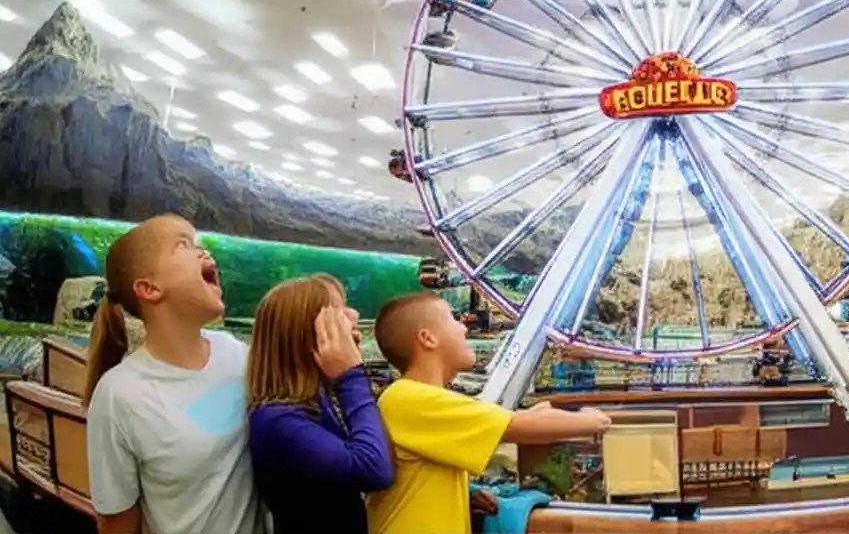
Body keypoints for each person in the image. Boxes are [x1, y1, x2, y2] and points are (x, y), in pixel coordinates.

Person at [366, 292, 613, 534]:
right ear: (427, 339)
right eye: (453, 319)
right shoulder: (410, 398)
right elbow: (518, 427)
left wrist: (469, 494)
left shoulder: (415, 401)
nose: (464, 328)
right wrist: (593, 420)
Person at [84, 215, 266, 534]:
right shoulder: (120, 396)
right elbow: (118, 524)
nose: (204, 253)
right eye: (183, 244)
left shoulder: (237, 354)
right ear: (149, 288)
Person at [247, 275, 393, 533]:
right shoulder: (278, 421)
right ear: (307, 334)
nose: (354, 315)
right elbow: (373, 469)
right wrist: (351, 375)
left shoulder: (315, 401)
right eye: (337, 312)